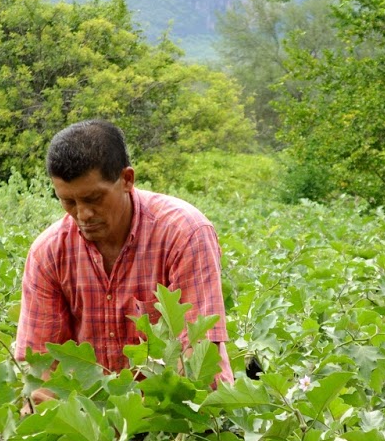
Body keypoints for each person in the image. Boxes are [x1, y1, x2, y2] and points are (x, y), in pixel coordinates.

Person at [13, 119, 232, 402]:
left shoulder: (184, 233)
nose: (83, 214)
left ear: (127, 179)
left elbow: (198, 356)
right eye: (68, 201)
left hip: (184, 418)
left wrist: (135, 417)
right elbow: (44, 366)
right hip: (94, 426)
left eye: (94, 198)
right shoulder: (49, 253)